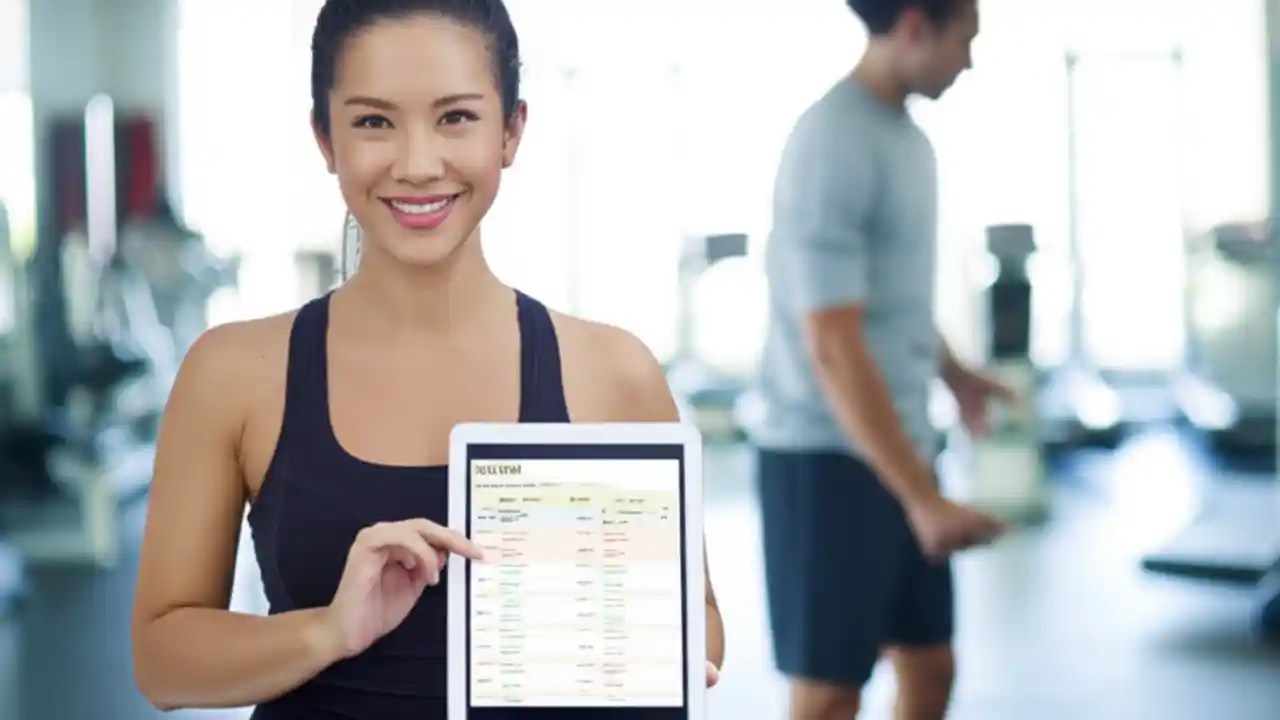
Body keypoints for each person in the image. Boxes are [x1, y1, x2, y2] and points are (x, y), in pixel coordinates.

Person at [129, 1, 725, 716]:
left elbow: (700, 619)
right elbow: (163, 664)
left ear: (512, 130)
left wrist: (653, 655)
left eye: (456, 118)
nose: (416, 165)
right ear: (325, 138)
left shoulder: (613, 371)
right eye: (374, 121)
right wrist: (327, 631)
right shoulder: (233, 373)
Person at [754, 1, 1011, 718]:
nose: (969, 60)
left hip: (898, 446)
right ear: (914, 27)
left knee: (930, 665)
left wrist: (955, 374)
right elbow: (832, 341)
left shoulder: (903, 137)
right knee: (831, 690)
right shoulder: (832, 142)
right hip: (825, 460)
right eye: (965, 40)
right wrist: (921, 498)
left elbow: (889, 299)